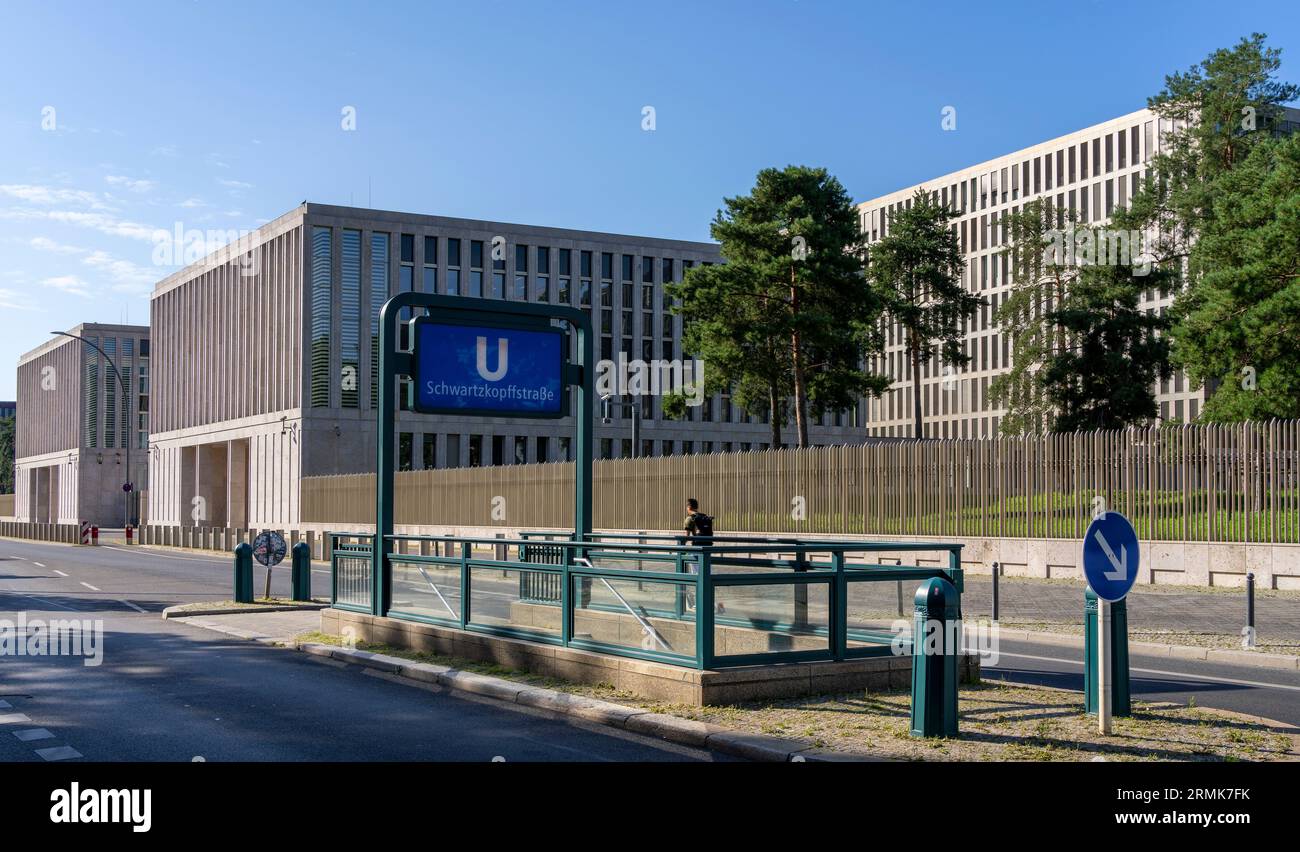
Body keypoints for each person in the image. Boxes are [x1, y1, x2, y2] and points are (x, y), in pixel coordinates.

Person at [681, 498, 723, 613]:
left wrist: (681, 549)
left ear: (688, 507)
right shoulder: (705, 517)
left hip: (696, 551)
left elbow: (686, 538)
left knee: (696, 576)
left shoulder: (690, 519)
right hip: (707, 551)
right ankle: (713, 604)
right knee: (707, 576)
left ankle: (702, 604)